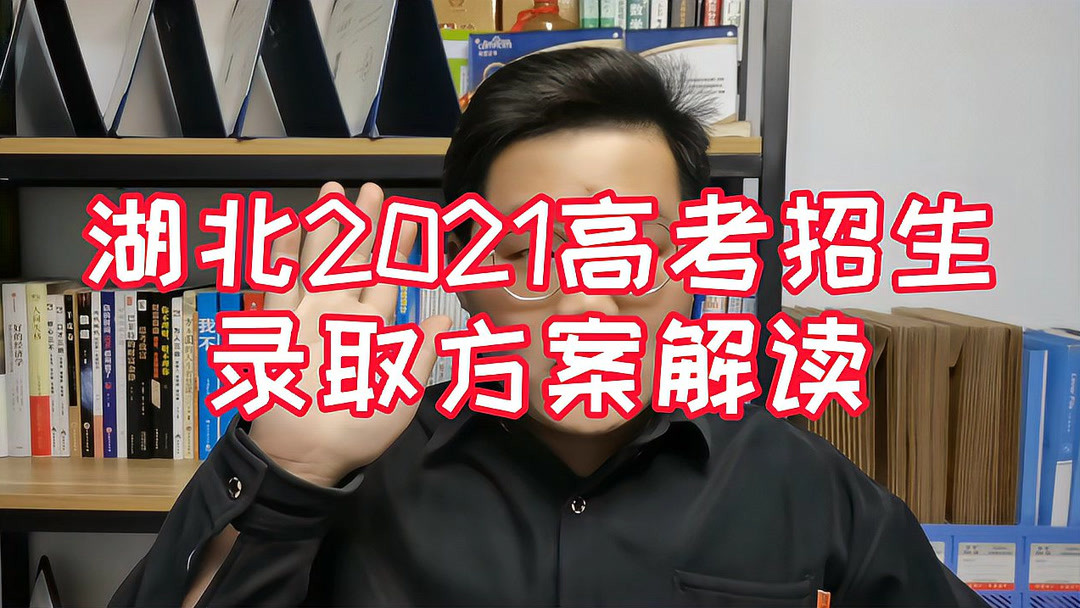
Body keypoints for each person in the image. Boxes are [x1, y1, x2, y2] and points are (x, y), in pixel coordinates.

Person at [110, 48, 985, 607]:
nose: (588, 307)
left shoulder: (791, 477)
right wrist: (291, 471)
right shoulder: (350, 466)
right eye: (533, 255)